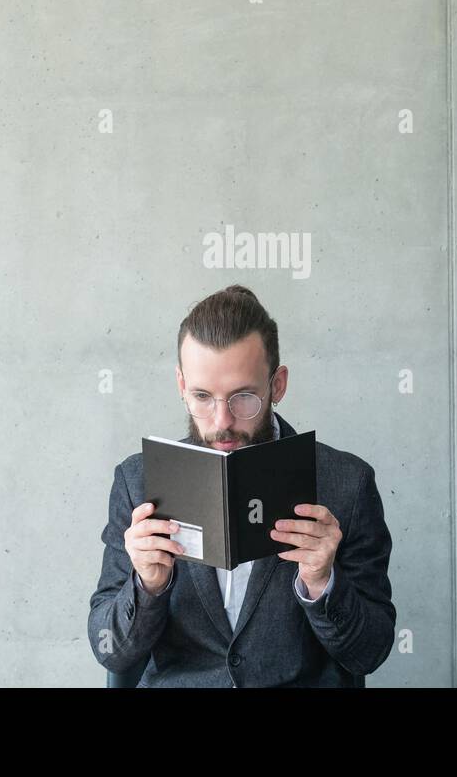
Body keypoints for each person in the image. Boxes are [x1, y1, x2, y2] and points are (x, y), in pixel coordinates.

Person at [87, 284, 396, 686]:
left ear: (277, 385)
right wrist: (147, 585)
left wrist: (323, 582)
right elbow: (109, 649)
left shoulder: (346, 484)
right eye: (202, 396)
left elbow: (370, 652)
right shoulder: (138, 481)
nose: (221, 422)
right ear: (181, 385)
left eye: (243, 397)